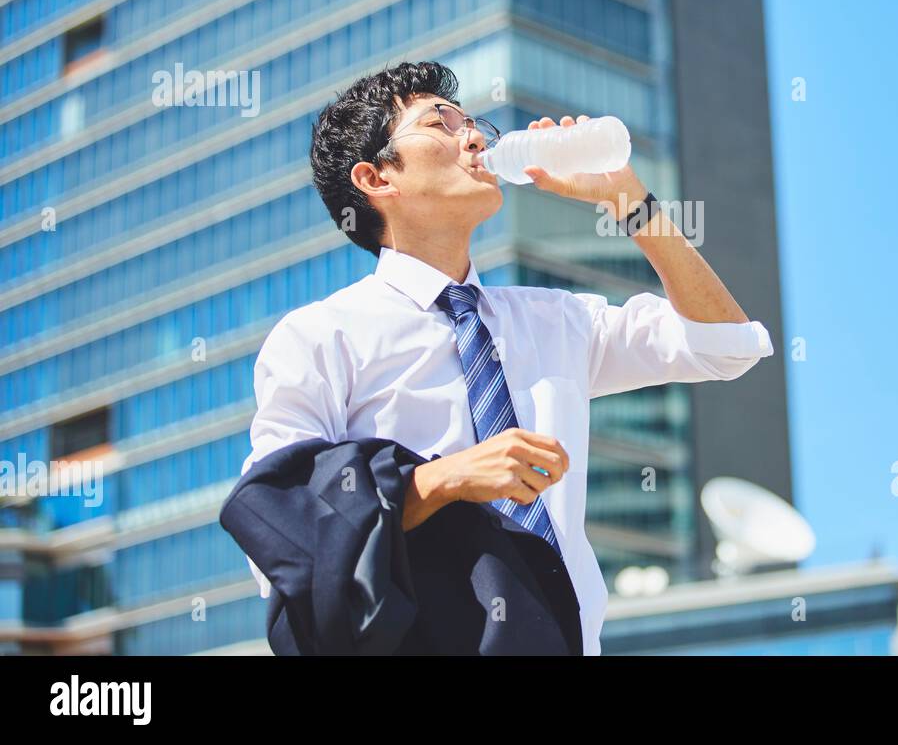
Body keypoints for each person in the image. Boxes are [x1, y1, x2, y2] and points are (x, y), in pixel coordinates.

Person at [235, 60, 774, 654]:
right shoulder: (322, 336)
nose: (474, 137)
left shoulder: (555, 320)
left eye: (474, 123)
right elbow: (282, 529)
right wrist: (443, 479)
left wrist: (631, 203)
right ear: (376, 177)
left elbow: (725, 346)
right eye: (439, 123)